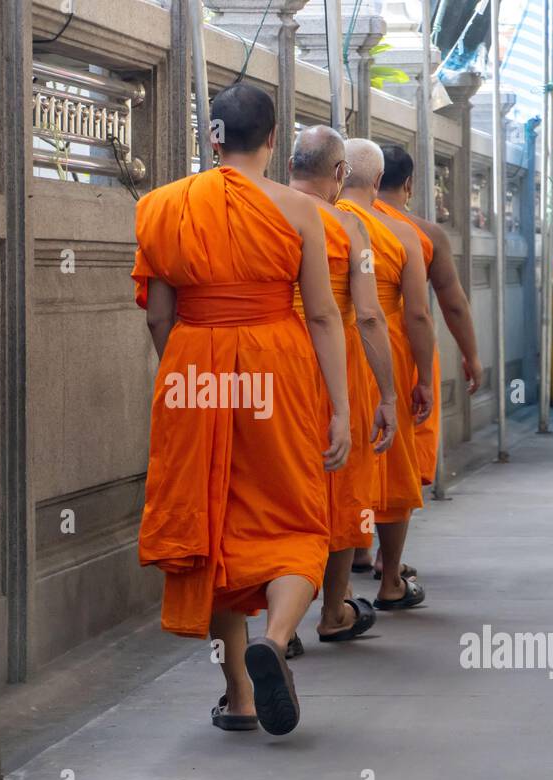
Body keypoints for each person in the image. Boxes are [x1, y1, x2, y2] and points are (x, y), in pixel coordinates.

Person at [131, 83, 351, 736]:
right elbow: (320, 313)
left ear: (213, 137)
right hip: (276, 368)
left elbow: (159, 314)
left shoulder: (164, 208)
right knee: (294, 513)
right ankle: (277, 640)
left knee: (214, 524)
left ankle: (240, 696)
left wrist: (190, 368)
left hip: (195, 367)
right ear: (274, 140)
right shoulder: (301, 211)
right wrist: (339, 406)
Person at [285, 125, 398, 652]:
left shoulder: (263, 210)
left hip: (270, 363)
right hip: (337, 366)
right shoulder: (352, 230)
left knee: (275, 489)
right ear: (338, 175)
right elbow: (371, 317)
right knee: (339, 485)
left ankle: (273, 627)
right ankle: (333, 611)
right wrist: (389, 396)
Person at [333, 138, 435, 610]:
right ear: (378, 182)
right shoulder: (402, 233)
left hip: (327, 350)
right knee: (391, 464)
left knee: (336, 465)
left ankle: (340, 594)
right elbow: (418, 316)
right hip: (384, 352)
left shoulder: (316, 220)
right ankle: (390, 578)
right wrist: (425, 380)